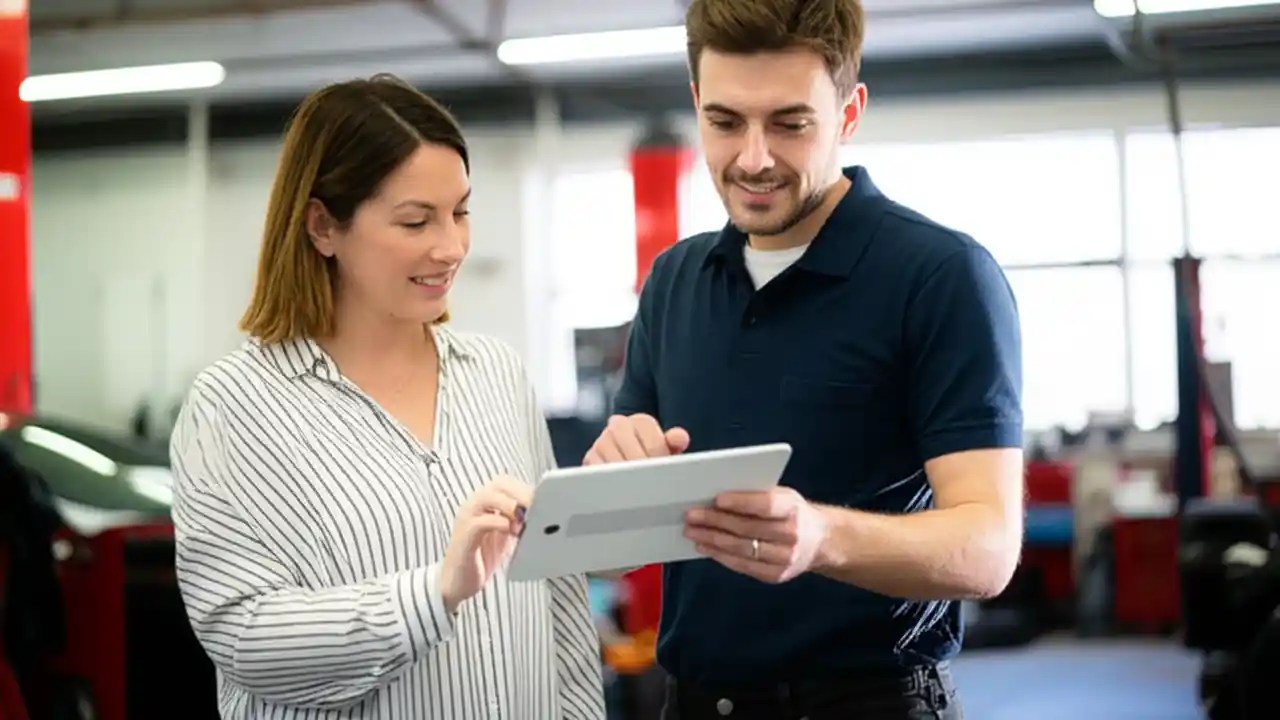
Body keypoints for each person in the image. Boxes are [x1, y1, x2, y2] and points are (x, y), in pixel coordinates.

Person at [585, 1, 1024, 717]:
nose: (754, 158)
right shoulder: (672, 281)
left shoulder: (940, 276)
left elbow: (987, 549)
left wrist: (821, 537)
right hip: (694, 702)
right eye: (726, 122)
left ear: (849, 113)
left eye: (790, 123)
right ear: (697, 103)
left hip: (867, 703)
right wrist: (606, 497)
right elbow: (614, 556)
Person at [168, 75, 605, 720]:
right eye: (415, 220)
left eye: (460, 210)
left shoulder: (498, 376)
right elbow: (244, 636)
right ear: (322, 225)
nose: (451, 246)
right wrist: (434, 592)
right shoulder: (234, 406)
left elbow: (559, 599)